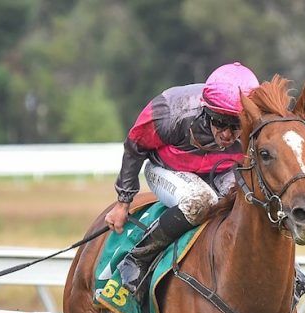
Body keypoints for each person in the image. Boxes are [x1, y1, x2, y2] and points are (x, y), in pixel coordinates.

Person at [104, 62, 260, 300]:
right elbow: (135, 146)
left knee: (250, 198)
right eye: (219, 122)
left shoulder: (258, 124)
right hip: (166, 168)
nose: (227, 135)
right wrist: (123, 202)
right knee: (201, 200)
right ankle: (137, 259)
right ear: (206, 110)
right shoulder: (171, 110)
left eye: (236, 125)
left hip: (221, 171)